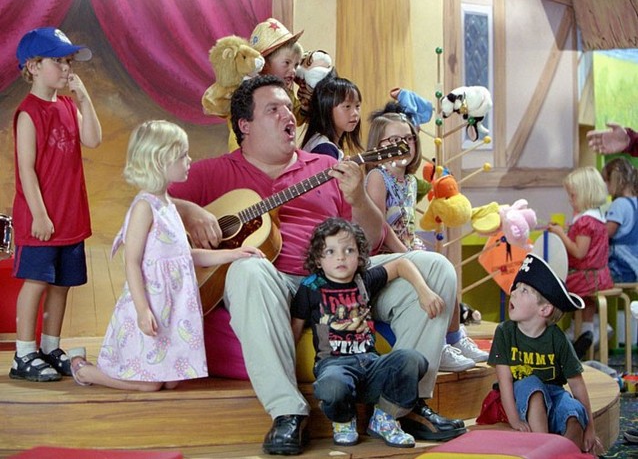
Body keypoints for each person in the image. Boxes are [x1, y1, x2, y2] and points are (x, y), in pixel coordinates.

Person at [167, 75, 465, 455]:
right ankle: (287, 412)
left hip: (345, 274)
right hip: (276, 280)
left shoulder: (326, 165)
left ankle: (401, 407)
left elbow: (370, 239)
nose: (287, 115)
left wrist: (358, 198)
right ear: (245, 125)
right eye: (273, 109)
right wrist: (188, 210)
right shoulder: (212, 173)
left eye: (288, 108)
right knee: (245, 269)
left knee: (435, 267)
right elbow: (146, 205)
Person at [68, 120, 263, 391]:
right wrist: (142, 310)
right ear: (160, 161)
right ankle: (86, 371)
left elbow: (184, 256)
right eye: (182, 156)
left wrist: (233, 254)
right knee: (150, 386)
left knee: (171, 382)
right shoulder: (144, 207)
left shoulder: (169, 205)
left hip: (174, 306)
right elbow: (132, 262)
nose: (189, 160)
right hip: (153, 302)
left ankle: (128, 371)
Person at [291, 218, 435, 448]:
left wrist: (423, 291)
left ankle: (385, 418)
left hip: (370, 364)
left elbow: (401, 264)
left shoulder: (364, 280)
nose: (341, 257)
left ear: (359, 256)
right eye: (330, 251)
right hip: (334, 366)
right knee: (331, 385)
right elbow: (295, 329)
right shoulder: (310, 287)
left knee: (412, 359)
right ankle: (343, 420)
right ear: (318, 259)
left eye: (349, 250)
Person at [10, 27, 101, 382]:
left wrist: (84, 100)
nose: (67, 68)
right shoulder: (28, 113)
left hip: (70, 216)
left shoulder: (66, 105)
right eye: (58, 61)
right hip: (41, 220)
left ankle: (50, 346)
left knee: (62, 285)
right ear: (34, 67)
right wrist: (39, 214)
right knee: (35, 282)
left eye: (69, 62)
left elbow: (92, 140)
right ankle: (23, 354)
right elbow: (26, 169)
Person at [365, 112, 488, 372]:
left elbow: (407, 224)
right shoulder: (377, 176)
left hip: (407, 249)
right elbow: (380, 225)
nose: (403, 144)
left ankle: (454, 338)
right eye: (394, 140)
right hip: (386, 257)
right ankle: (437, 345)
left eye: (408, 138)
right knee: (431, 274)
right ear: (378, 145)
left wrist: (415, 247)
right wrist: (407, 253)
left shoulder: (409, 181)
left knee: (446, 272)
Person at [488, 253, 602, 455]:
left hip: (554, 393)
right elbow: (505, 381)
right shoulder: (505, 332)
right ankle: (543, 448)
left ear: (545, 309)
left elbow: (576, 384)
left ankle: (564, 452)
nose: (513, 292)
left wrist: (590, 428)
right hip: (522, 395)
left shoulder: (557, 338)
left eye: (524, 290)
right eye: (516, 287)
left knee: (573, 411)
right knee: (533, 387)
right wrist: (515, 420)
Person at [548, 166, 613, 357]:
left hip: (586, 277)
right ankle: (588, 329)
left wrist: (560, 234)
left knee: (554, 289)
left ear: (586, 194)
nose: (570, 200)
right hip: (597, 276)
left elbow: (579, 252)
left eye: (573, 195)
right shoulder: (597, 218)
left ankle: (575, 331)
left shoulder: (585, 222)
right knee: (585, 297)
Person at [227, 18, 304, 151]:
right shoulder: (246, 93)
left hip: (279, 153)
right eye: (286, 63)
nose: (293, 71)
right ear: (264, 63)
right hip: (249, 152)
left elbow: (298, 117)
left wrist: (306, 106)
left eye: (296, 65)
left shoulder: (286, 93)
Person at [301, 76, 363, 160]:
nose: (355, 113)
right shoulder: (324, 149)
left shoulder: (323, 143)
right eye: (347, 106)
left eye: (357, 106)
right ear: (326, 109)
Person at [601, 157, 638, 283]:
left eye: (606, 182)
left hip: (622, 267)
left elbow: (607, 233)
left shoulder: (619, 204)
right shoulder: (635, 201)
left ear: (614, 180)